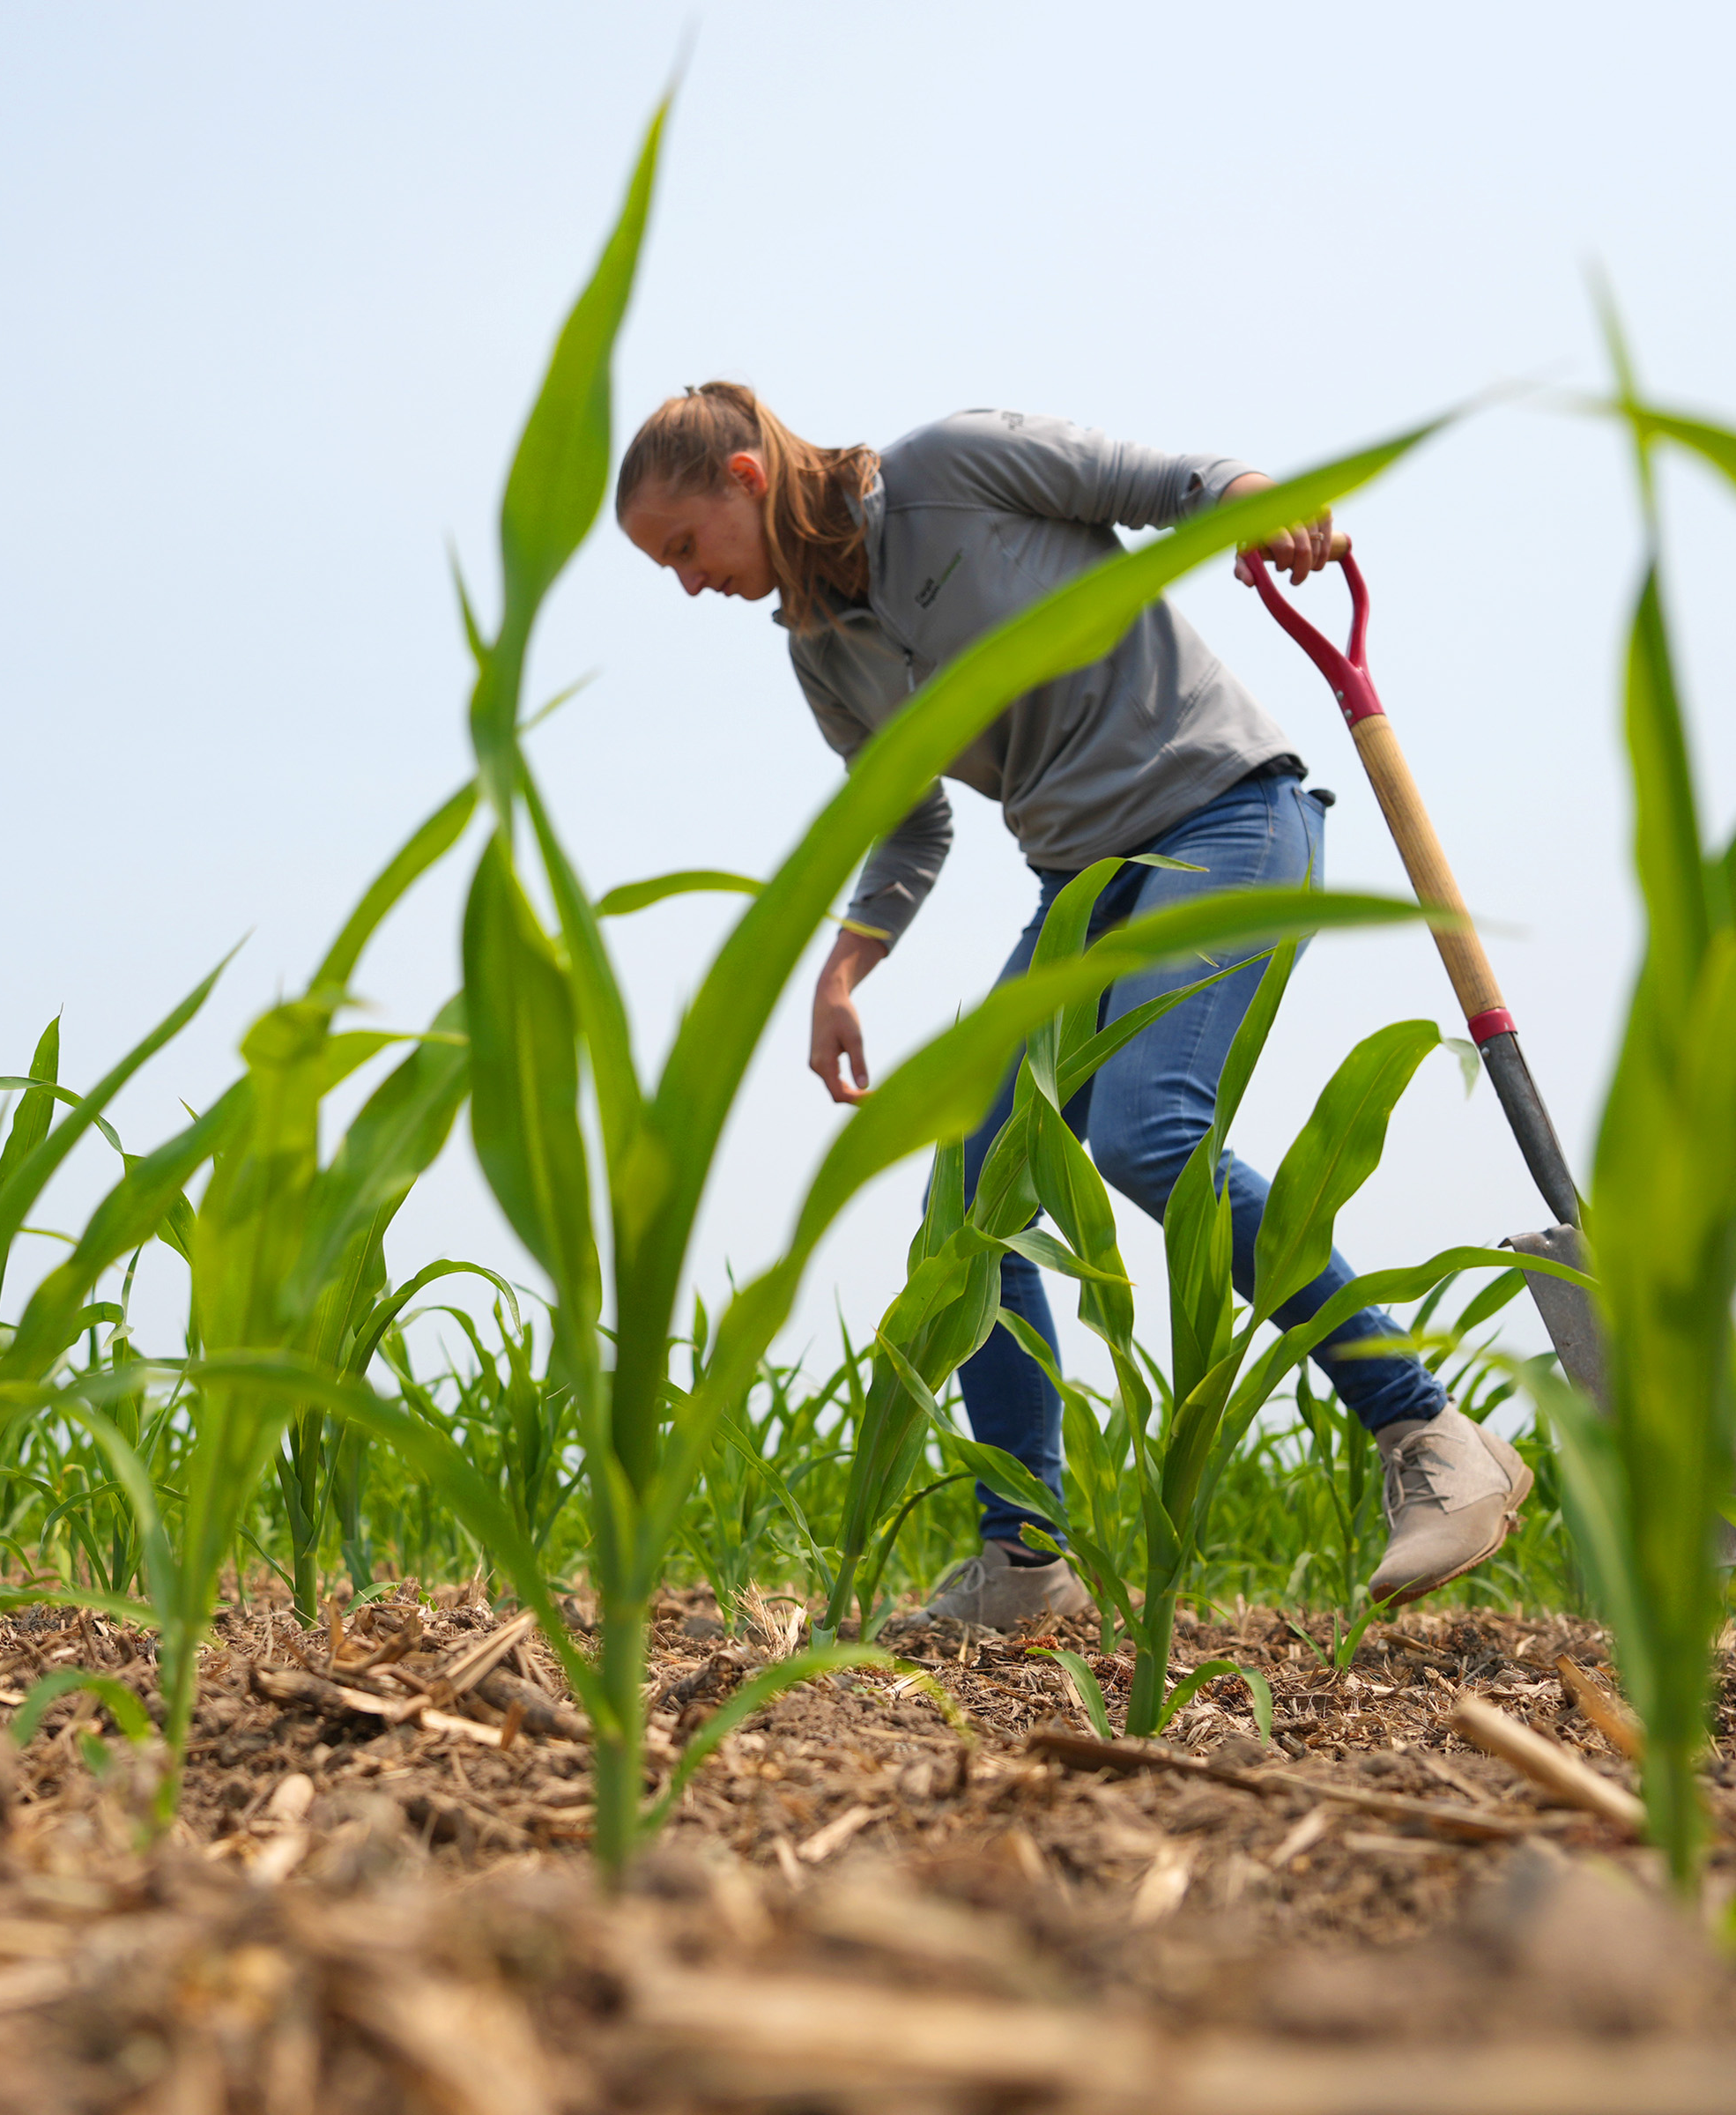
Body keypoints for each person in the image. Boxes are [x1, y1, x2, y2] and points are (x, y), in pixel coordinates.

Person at [614, 383, 1527, 1628]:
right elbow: (910, 826)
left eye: (683, 547)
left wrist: (1254, 500)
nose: (687, 585)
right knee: (970, 1205)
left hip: (1225, 820)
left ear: (744, 477)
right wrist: (842, 969)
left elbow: (1162, 485)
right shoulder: (823, 654)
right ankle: (1026, 1563)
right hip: (1081, 889)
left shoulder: (951, 470)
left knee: (1148, 1131)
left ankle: (1428, 1433)